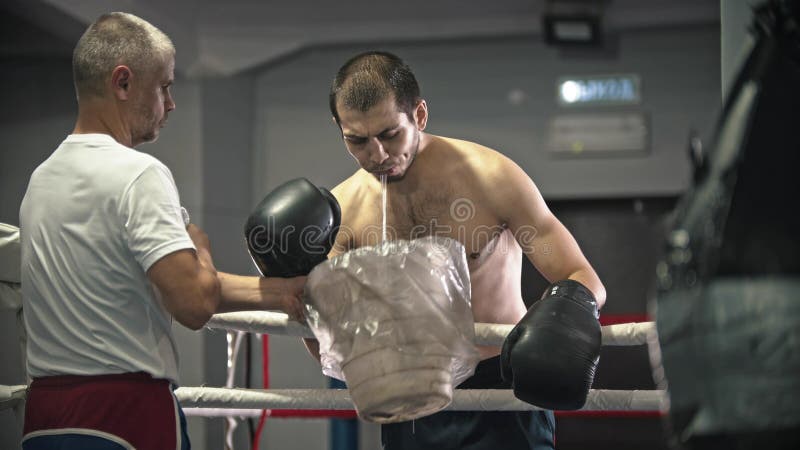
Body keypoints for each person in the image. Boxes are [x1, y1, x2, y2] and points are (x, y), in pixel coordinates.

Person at [18, 12, 305, 450]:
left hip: (45, 417)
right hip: (123, 413)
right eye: (164, 86)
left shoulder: (41, 179)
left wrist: (284, 293)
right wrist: (201, 248)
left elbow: (166, 279)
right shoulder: (139, 174)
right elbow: (192, 303)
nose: (171, 103)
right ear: (123, 83)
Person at [315, 51, 607, 450]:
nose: (377, 155)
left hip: (501, 387)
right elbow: (322, 342)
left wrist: (561, 324)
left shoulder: (490, 178)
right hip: (408, 396)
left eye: (389, 135)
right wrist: (291, 278)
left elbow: (579, 276)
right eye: (357, 140)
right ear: (339, 128)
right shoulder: (343, 211)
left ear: (418, 115)